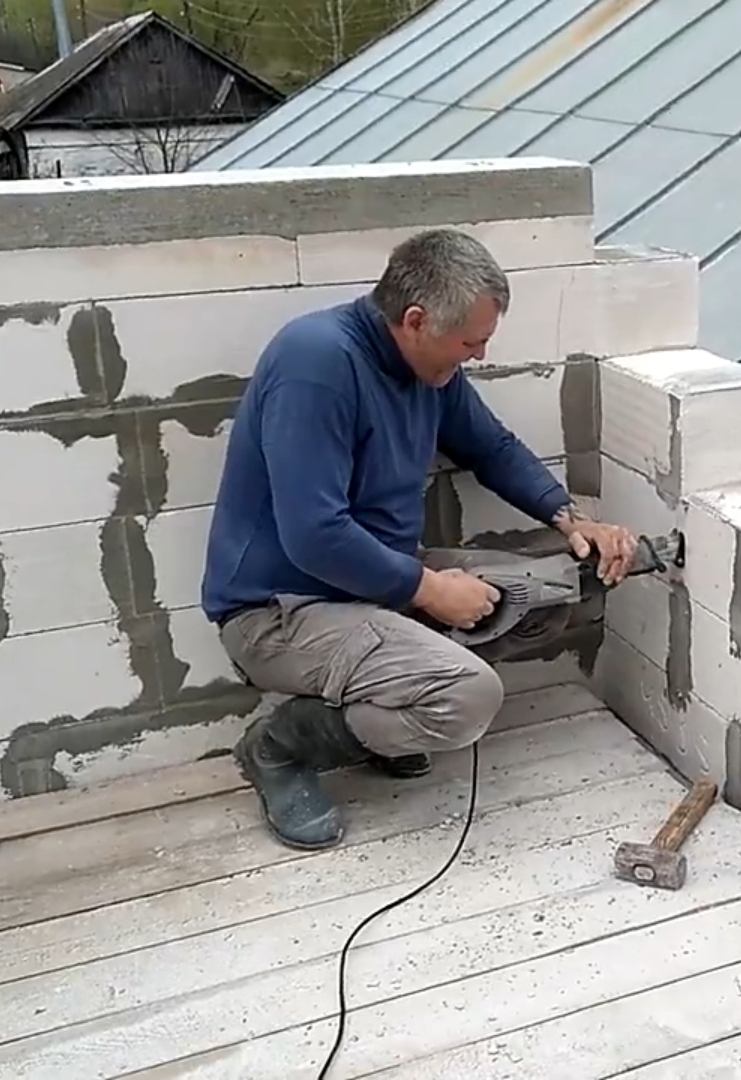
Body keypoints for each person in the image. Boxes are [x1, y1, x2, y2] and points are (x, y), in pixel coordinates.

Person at [200, 228, 640, 851]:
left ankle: (390, 716)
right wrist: (429, 590)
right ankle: (280, 747)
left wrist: (570, 519)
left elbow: (491, 447)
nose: (479, 356)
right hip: (280, 610)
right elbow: (313, 535)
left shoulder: (430, 369)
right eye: (471, 342)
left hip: (377, 584)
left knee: (544, 597)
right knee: (467, 698)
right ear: (415, 320)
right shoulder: (315, 365)